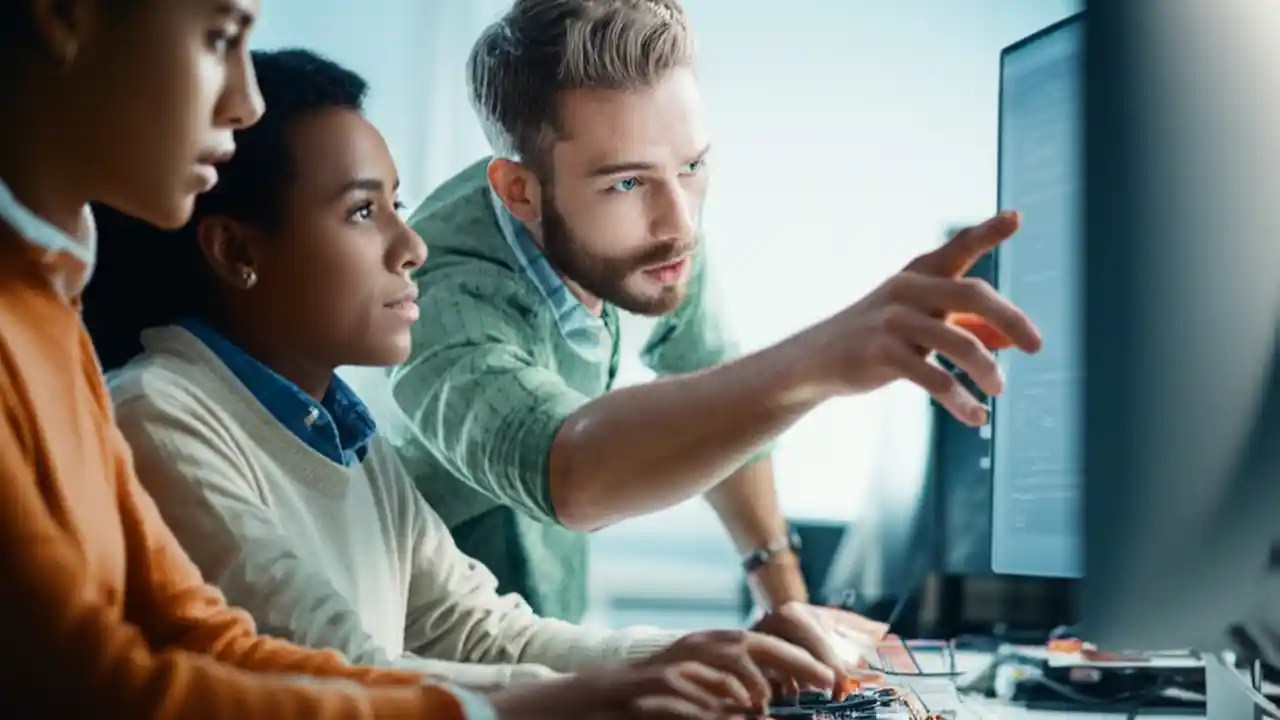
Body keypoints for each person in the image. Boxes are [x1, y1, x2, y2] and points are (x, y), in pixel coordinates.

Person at [0, 0, 802, 717]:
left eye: (397, 206)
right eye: (361, 211)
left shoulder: (341, 434)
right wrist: (563, 701)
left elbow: (471, 629)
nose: (413, 247)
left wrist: (687, 658)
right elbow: (145, 679)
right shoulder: (156, 411)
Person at [389, 0, 1040, 636]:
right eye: (628, 183)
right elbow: (570, 472)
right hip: (410, 650)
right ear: (521, 191)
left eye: (693, 166)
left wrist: (786, 606)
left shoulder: (653, 238)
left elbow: (717, 382)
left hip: (549, 635)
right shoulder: (435, 292)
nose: (681, 224)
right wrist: (821, 360)